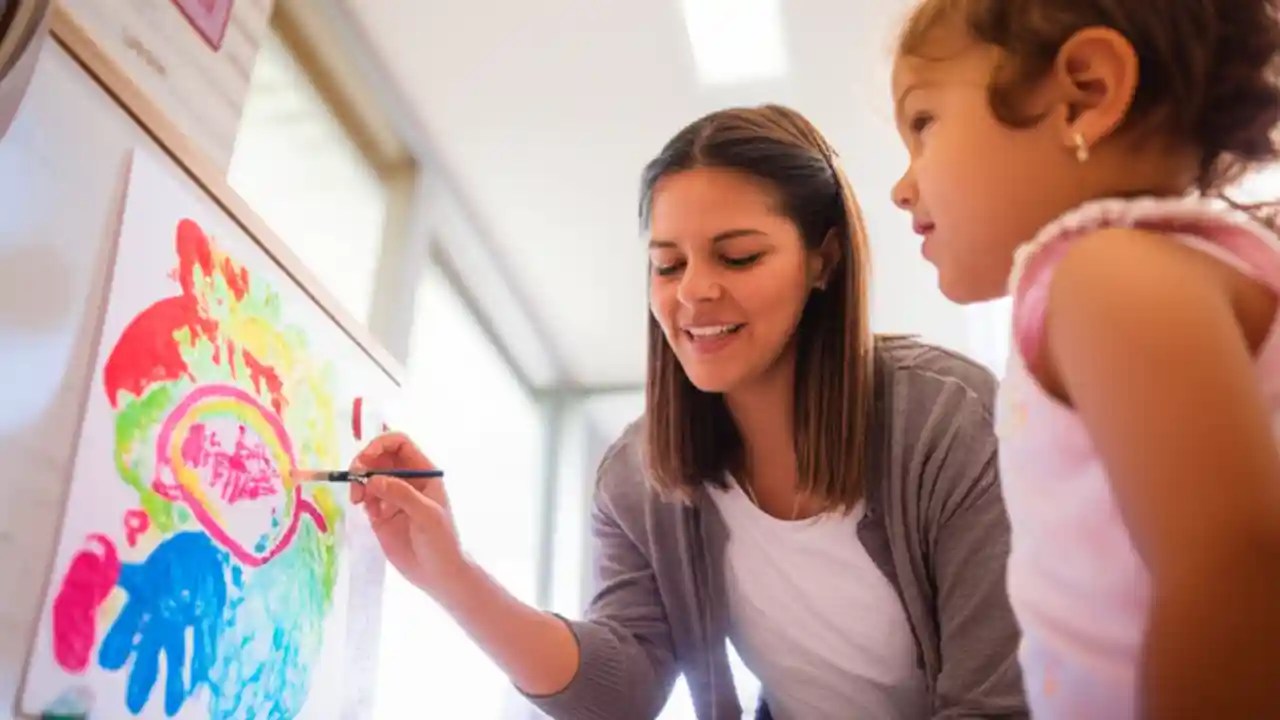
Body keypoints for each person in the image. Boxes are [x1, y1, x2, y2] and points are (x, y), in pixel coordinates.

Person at [350, 105, 1027, 719]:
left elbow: (997, 703)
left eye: (739, 256)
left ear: (824, 259)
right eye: (668, 266)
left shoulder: (948, 421)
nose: (695, 292)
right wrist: (452, 576)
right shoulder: (636, 479)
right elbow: (622, 689)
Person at [890, 1, 1280, 717]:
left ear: (1085, 93)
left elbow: (1229, 575)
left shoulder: (1107, 276)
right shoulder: (1161, 264)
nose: (902, 184)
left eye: (923, 124)